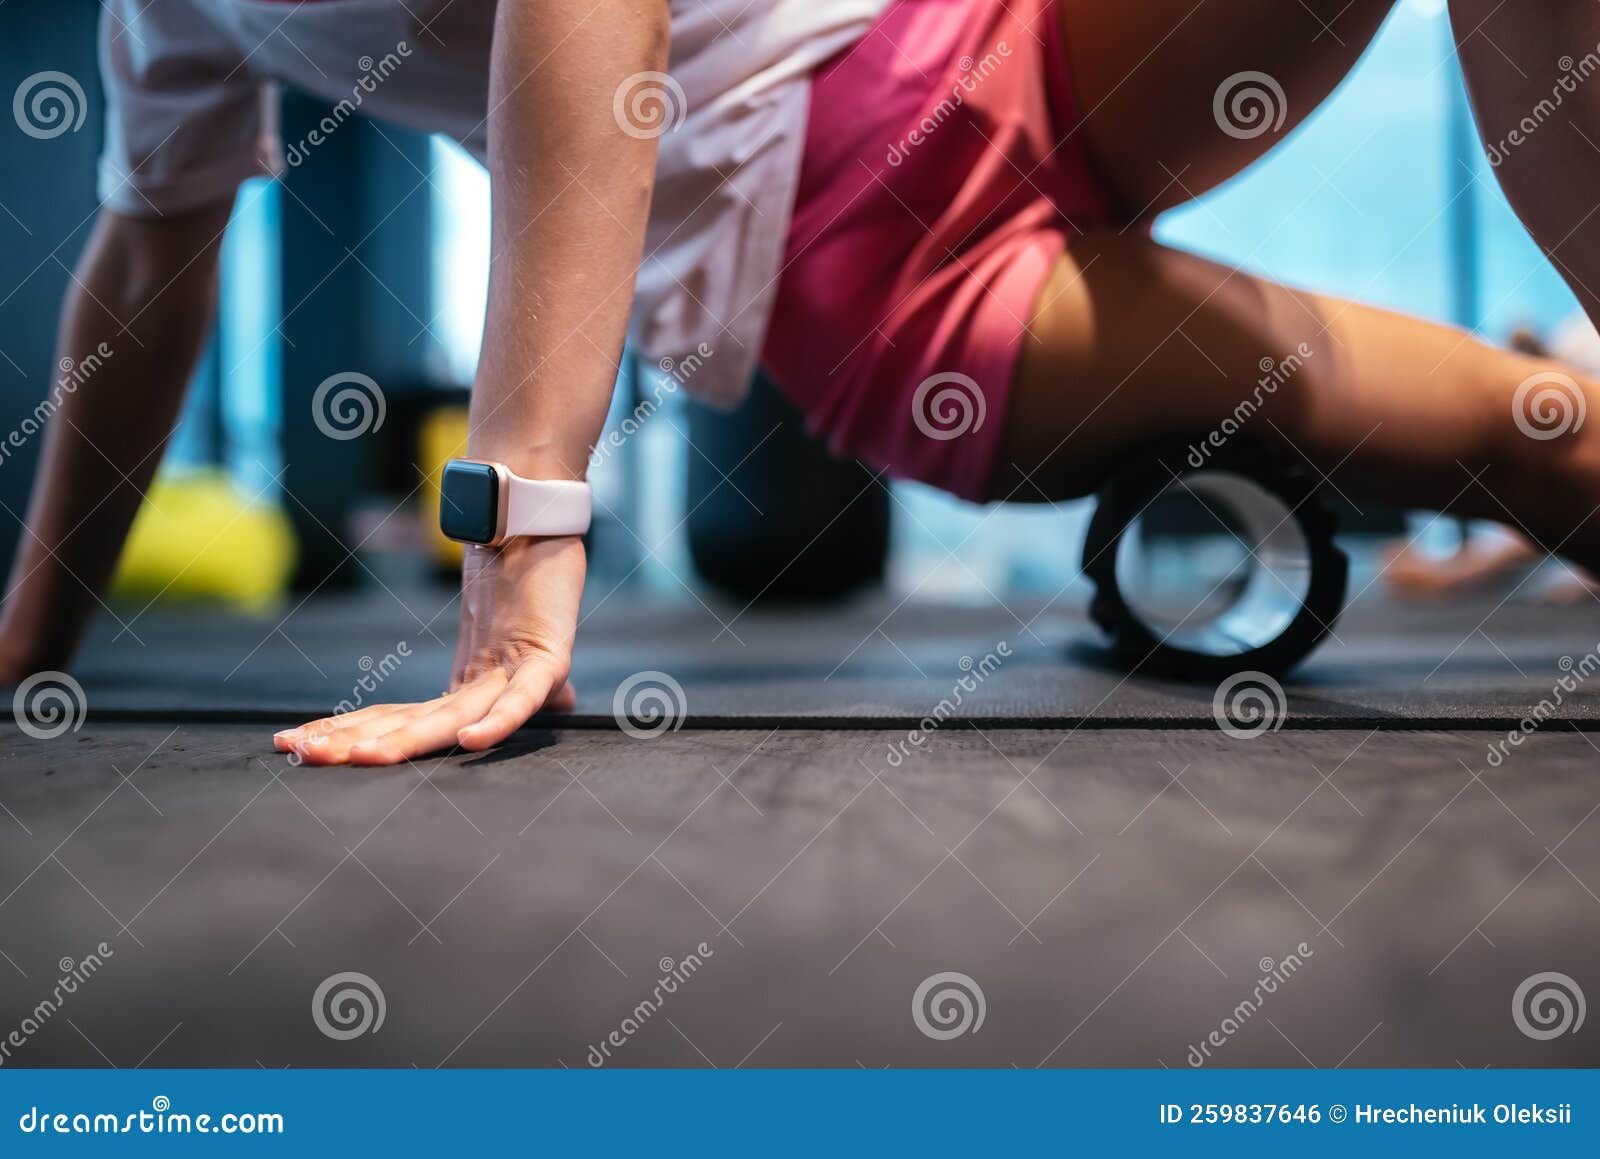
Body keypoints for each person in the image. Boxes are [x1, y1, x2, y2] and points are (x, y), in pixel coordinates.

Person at [4, 0, 1600, 767]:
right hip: (877, 293)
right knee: (1549, 448)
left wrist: (518, 522)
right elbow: (144, 270)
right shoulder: (165, 20)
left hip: (996, 34)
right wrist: (32, 641)